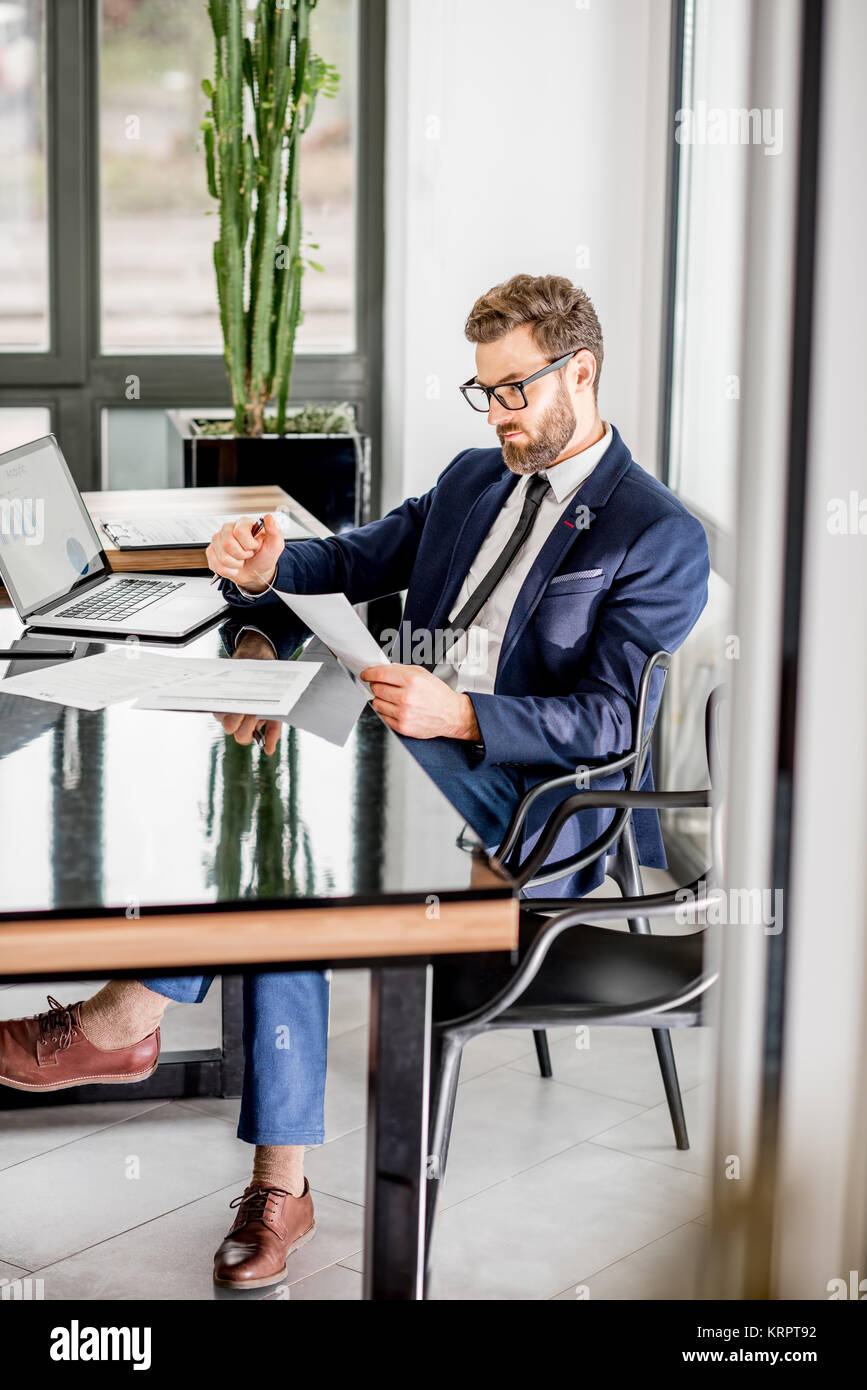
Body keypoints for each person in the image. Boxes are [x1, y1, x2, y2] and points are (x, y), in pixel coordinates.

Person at [0, 273, 710, 1288]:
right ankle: (271, 1178)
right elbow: (356, 558)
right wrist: (262, 568)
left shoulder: (654, 534)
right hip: (411, 741)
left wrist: (461, 713)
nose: (500, 413)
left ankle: (125, 1020)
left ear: (580, 371)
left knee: (302, 818)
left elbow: (606, 721)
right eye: (485, 391)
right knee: (290, 830)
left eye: (514, 389)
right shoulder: (475, 478)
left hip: (528, 806)